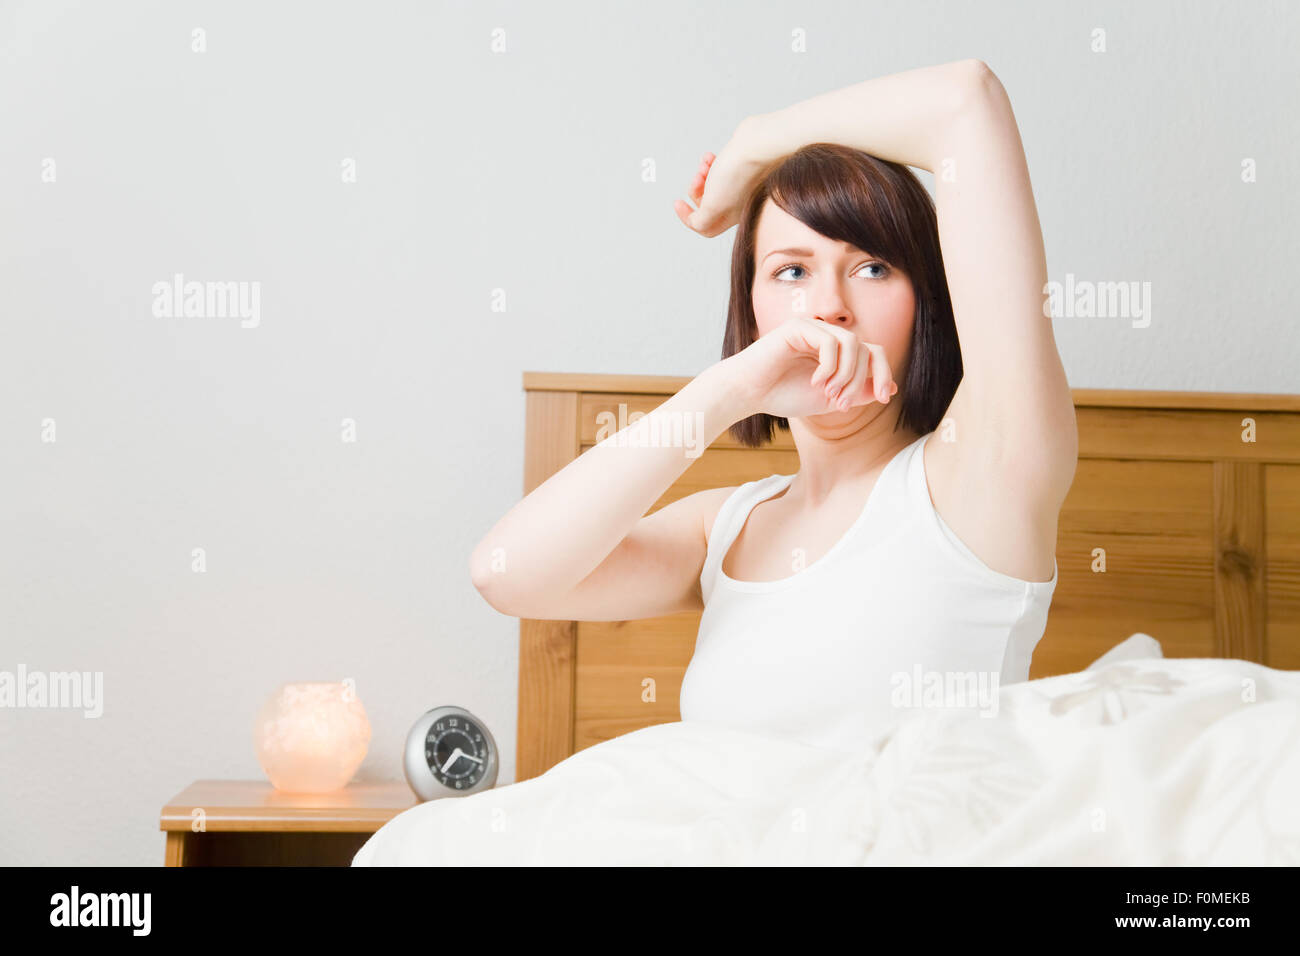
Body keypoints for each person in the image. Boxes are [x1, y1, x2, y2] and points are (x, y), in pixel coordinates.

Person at [470, 59, 1077, 754]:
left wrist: (760, 143)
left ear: (926, 301)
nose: (828, 307)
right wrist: (732, 389)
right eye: (791, 271)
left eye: (873, 267)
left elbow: (967, 102)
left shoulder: (987, 467)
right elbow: (505, 573)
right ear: (752, 310)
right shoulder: (724, 528)